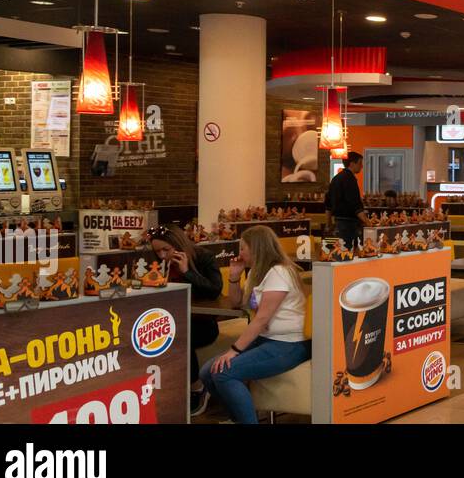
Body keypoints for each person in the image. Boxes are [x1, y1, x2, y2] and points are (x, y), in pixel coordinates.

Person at [199, 225, 310, 424]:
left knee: (224, 373)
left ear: (256, 248)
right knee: (207, 372)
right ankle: (240, 419)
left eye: (243, 248)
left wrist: (234, 350)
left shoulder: (280, 272)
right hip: (266, 340)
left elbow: (261, 318)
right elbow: (237, 304)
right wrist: (234, 277)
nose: (239, 252)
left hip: (289, 344)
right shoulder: (257, 272)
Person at [148, 223, 224, 416]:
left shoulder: (203, 257)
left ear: (178, 244)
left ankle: (197, 387)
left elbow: (215, 291)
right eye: (158, 251)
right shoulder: (158, 263)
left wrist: (187, 272)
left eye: (166, 249)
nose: (162, 255)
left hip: (203, 324)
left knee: (179, 335)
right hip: (170, 320)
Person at [324, 151, 367, 248]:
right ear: (352, 164)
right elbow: (354, 203)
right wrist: (366, 221)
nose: (362, 166)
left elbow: (328, 203)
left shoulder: (335, 179)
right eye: (360, 163)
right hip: (349, 224)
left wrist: (328, 223)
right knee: (349, 252)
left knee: (339, 252)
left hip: (338, 222)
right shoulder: (350, 179)